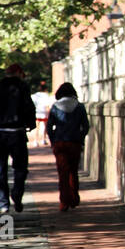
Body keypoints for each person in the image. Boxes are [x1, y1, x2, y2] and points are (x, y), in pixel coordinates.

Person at [0, 63, 33, 213]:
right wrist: (29, 124)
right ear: (17, 72)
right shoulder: (23, 87)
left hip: (1, 132)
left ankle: (3, 202)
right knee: (21, 167)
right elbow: (29, 107)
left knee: (1, 168)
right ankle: (17, 193)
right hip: (17, 132)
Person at [45, 82, 89, 212]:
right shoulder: (80, 107)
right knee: (73, 171)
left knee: (62, 173)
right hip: (74, 143)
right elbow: (85, 126)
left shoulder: (55, 107)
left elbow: (49, 127)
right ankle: (74, 197)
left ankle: (64, 202)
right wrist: (80, 138)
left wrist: (53, 141)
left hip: (60, 143)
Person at [30, 81, 53, 147]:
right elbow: (47, 105)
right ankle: (44, 139)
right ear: (45, 89)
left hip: (37, 112)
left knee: (37, 127)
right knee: (45, 127)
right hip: (44, 113)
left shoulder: (35, 95)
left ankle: (35, 140)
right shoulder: (46, 95)